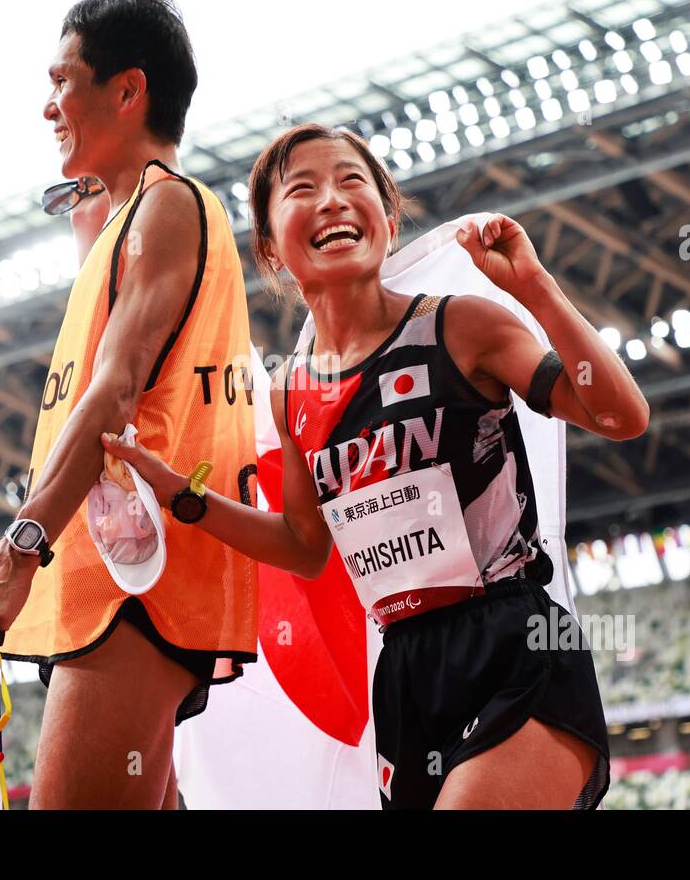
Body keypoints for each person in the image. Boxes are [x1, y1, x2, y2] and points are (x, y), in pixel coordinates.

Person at [103, 122, 650, 809]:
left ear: (388, 220)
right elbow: (303, 547)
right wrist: (186, 498)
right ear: (270, 248)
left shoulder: (464, 327)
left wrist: (534, 288)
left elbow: (620, 415)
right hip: (404, 673)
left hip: (515, 649)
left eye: (351, 181)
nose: (332, 199)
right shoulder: (293, 391)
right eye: (303, 189)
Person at [0, 0, 259, 810]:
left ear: (127, 90)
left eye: (62, 79)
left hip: (133, 586)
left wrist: (12, 561)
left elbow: (113, 395)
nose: (48, 106)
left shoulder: (169, 204)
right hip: (116, 581)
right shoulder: (127, 222)